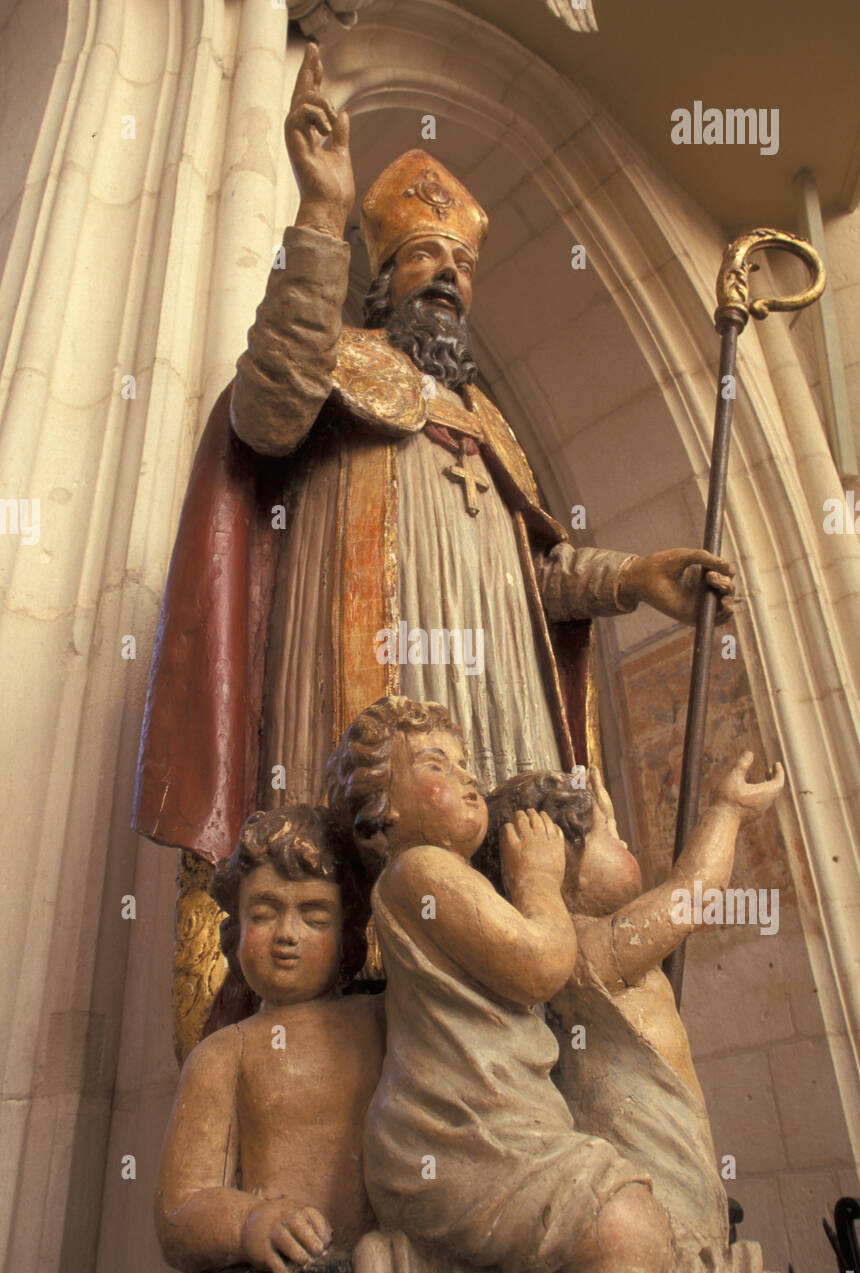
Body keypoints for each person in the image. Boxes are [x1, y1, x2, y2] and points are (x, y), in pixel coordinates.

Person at [132, 40, 736, 878]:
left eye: (460, 265)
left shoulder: (489, 421)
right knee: (375, 869)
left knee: (530, 875)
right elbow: (265, 415)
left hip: (499, 689)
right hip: (365, 669)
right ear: (383, 278)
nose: (447, 274)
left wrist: (635, 578)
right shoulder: (335, 364)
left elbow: (539, 578)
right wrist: (320, 213)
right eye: (424, 256)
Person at [327, 696, 674, 1273]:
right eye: (436, 765)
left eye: (466, 765)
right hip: (449, 1137)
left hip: (496, 1124)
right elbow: (540, 965)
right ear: (384, 810)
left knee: (632, 1218)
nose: (465, 778)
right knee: (627, 1227)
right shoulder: (419, 872)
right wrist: (538, 879)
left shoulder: (449, 877)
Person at [474, 758, 786, 1273]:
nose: (624, 841)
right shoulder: (586, 951)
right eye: (607, 832)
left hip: (667, 1146)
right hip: (647, 1159)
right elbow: (694, 889)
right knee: (677, 1270)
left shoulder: (581, 949)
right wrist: (727, 810)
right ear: (561, 866)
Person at [154, 806, 384, 1273]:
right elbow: (179, 1211)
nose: (286, 935)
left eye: (314, 916)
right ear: (235, 932)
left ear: (348, 935)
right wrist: (251, 1222)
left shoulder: (384, 1024)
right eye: (264, 913)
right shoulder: (224, 1054)